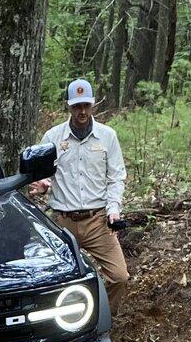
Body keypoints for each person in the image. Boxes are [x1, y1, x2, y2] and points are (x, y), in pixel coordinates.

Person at [35, 78, 128, 287]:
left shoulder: (107, 136)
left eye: (86, 105)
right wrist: (42, 183)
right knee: (55, 282)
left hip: (98, 220)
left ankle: (105, 317)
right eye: (77, 106)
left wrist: (114, 210)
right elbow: (41, 173)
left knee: (119, 276)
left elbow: (116, 177)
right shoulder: (53, 137)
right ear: (69, 105)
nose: (82, 112)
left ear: (93, 104)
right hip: (63, 222)